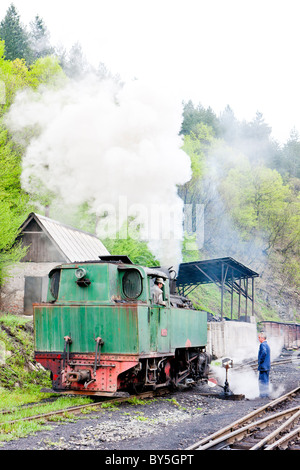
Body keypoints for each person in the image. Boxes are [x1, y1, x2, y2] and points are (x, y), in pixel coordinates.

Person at [258, 332, 271, 398]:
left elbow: (264, 352)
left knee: (262, 381)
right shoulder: (267, 344)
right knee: (266, 380)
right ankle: (266, 394)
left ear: (262, 338)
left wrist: (260, 361)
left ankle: (263, 395)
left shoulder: (262, 345)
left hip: (263, 366)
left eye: (259, 338)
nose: (258, 339)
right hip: (267, 366)